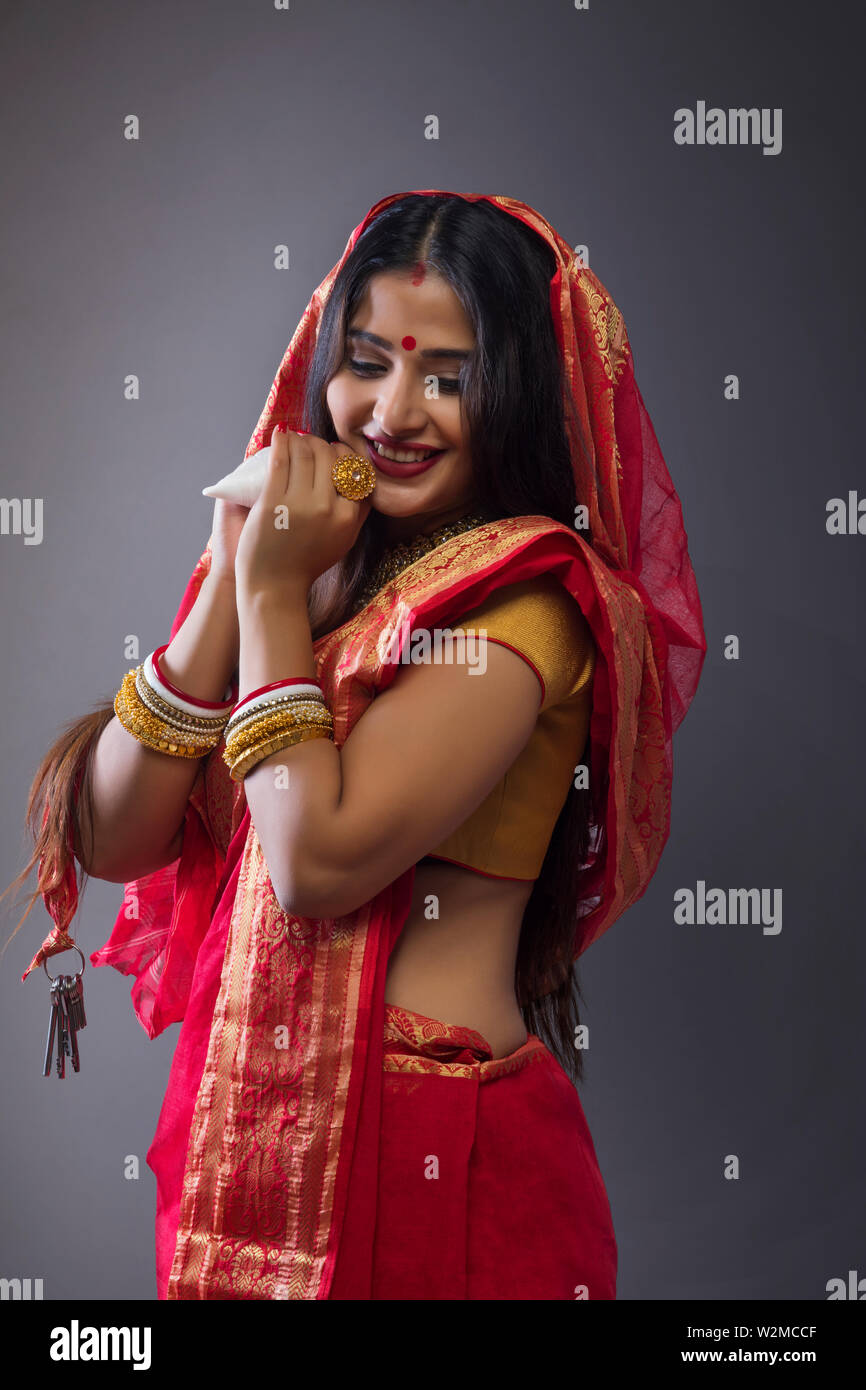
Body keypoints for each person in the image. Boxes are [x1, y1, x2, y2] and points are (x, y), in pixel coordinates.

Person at [4, 189, 706, 1300]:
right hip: (255, 1134)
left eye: (446, 377)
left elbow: (317, 862)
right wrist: (231, 567)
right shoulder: (318, 576)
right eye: (367, 362)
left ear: (517, 389)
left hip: (439, 1159)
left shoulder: (531, 606)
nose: (392, 411)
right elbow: (114, 836)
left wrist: (273, 589)